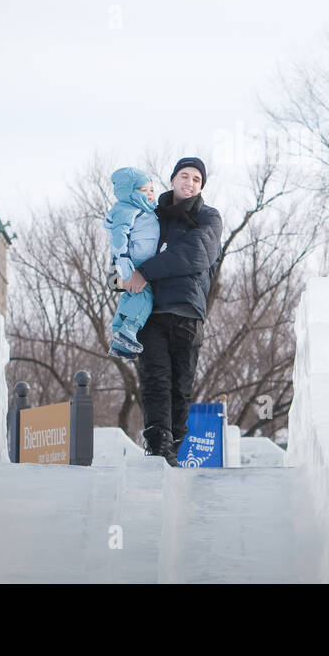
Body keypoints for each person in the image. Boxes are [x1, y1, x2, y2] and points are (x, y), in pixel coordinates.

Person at [120, 157, 222, 466]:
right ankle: (157, 444)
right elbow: (130, 250)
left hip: (187, 311)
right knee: (155, 379)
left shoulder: (208, 216)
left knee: (181, 384)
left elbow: (195, 254)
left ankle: (175, 445)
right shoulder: (151, 216)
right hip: (150, 310)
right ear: (173, 179)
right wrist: (122, 277)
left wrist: (146, 272)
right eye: (184, 175)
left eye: (196, 179)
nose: (189, 182)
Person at [102, 167, 159, 360]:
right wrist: (124, 262)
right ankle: (129, 329)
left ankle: (119, 335)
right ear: (130, 192)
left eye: (152, 189)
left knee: (130, 296)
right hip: (133, 263)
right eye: (144, 190)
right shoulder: (128, 210)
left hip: (138, 262)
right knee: (143, 297)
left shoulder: (145, 210)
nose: (150, 194)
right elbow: (120, 235)